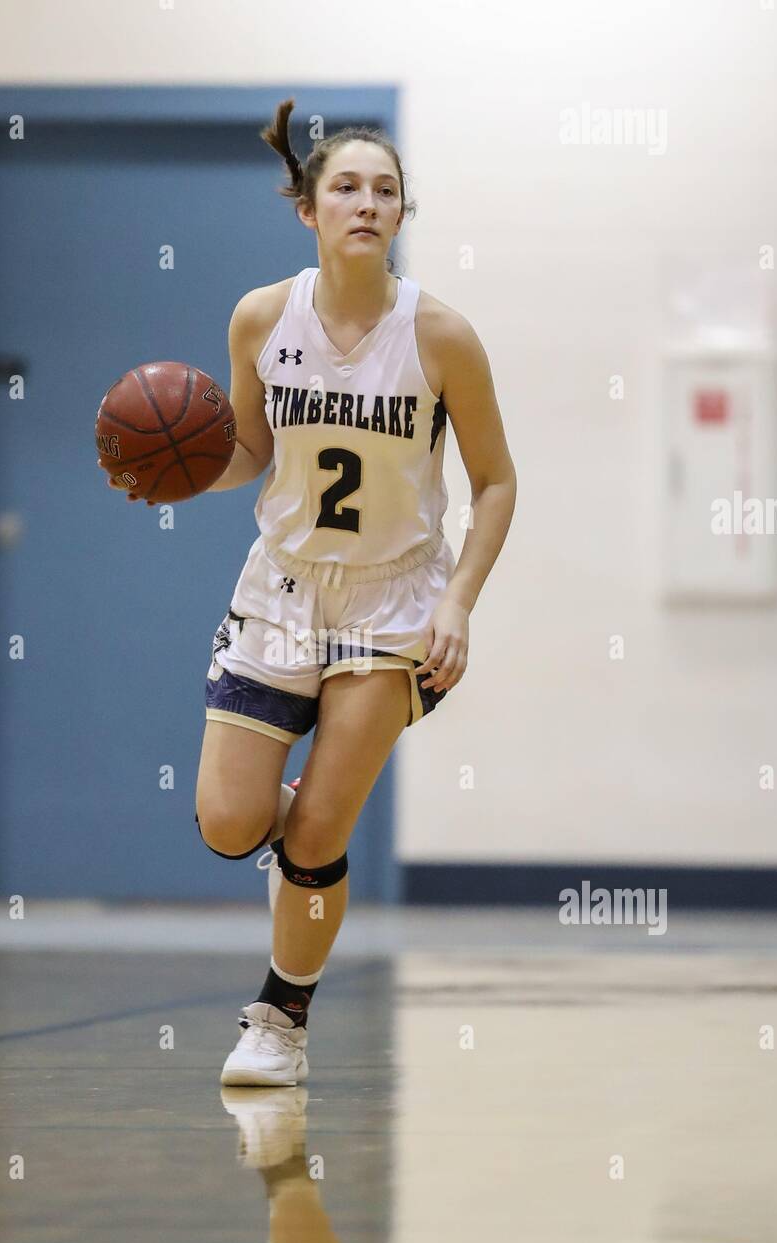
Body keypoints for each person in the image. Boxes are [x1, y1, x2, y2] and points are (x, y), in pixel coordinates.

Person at [110, 97, 517, 1086]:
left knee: (324, 829)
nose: (367, 204)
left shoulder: (443, 336)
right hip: (282, 591)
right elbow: (248, 448)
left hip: (395, 600)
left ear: (402, 213)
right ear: (309, 208)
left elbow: (496, 480)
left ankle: (279, 1021)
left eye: (386, 191)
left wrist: (458, 600)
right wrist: (174, 470)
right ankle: (290, 801)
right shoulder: (261, 316)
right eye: (347, 188)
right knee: (229, 824)